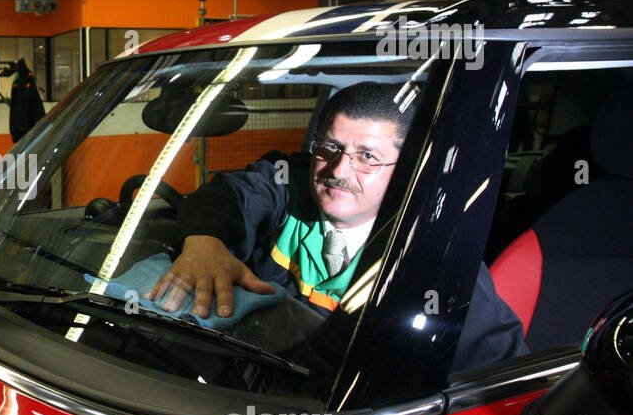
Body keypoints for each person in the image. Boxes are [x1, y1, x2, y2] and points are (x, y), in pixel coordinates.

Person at [145, 82, 528, 371]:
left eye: (367, 157)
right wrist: (204, 243)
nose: (338, 171)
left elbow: (499, 376)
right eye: (329, 148)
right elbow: (229, 195)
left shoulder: (432, 261)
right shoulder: (289, 184)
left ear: (408, 168)